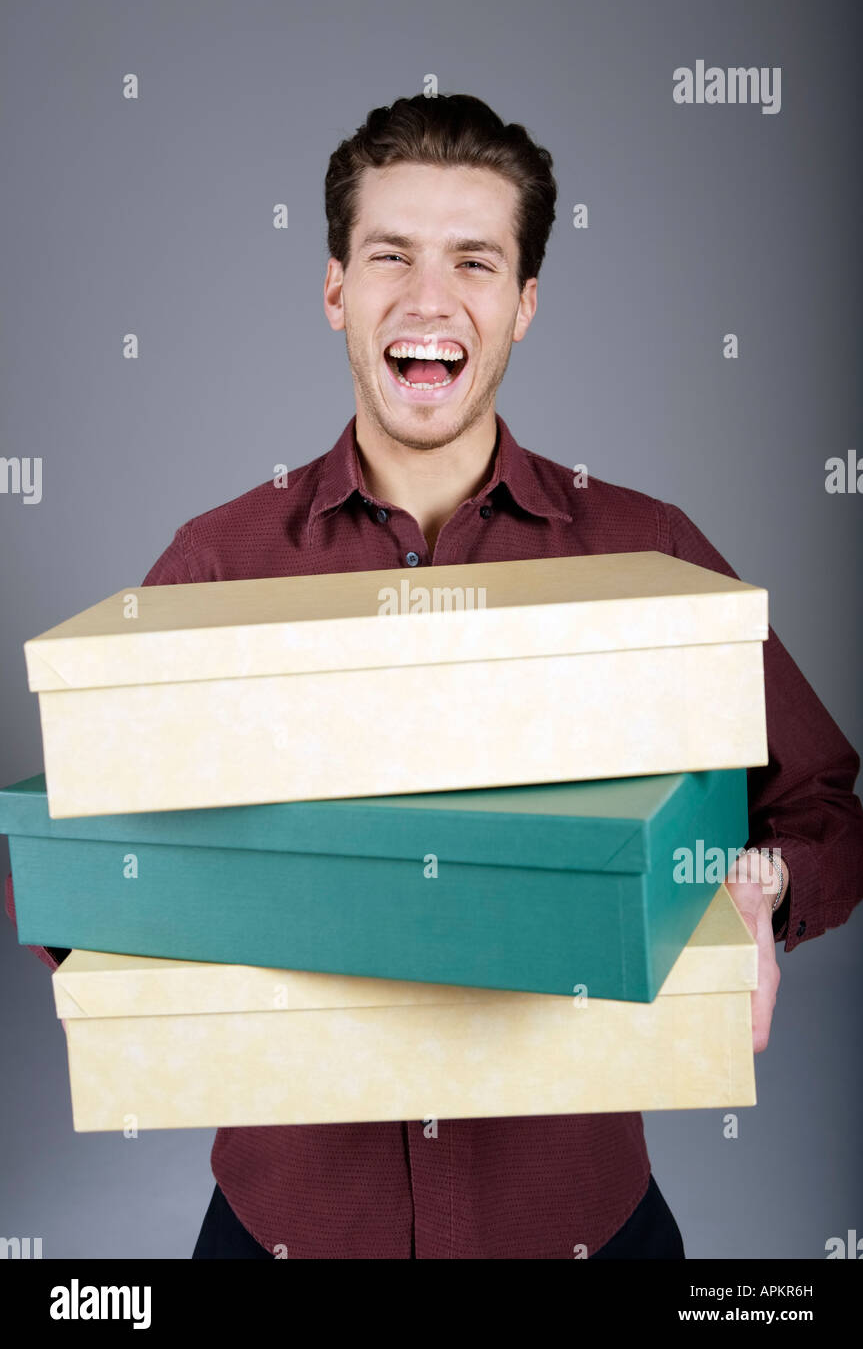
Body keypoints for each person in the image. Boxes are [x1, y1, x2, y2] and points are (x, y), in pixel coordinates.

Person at [8, 93, 863, 1260]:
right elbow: (58, 853)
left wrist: (752, 890)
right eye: (388, 256)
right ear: (334, 293)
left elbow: (819, 807)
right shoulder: (216, 563)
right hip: (289, 1234)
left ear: (521, 306)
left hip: (581, 1228)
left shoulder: (646, 553)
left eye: (473, 260)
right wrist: (152, 918)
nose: (426, 298)